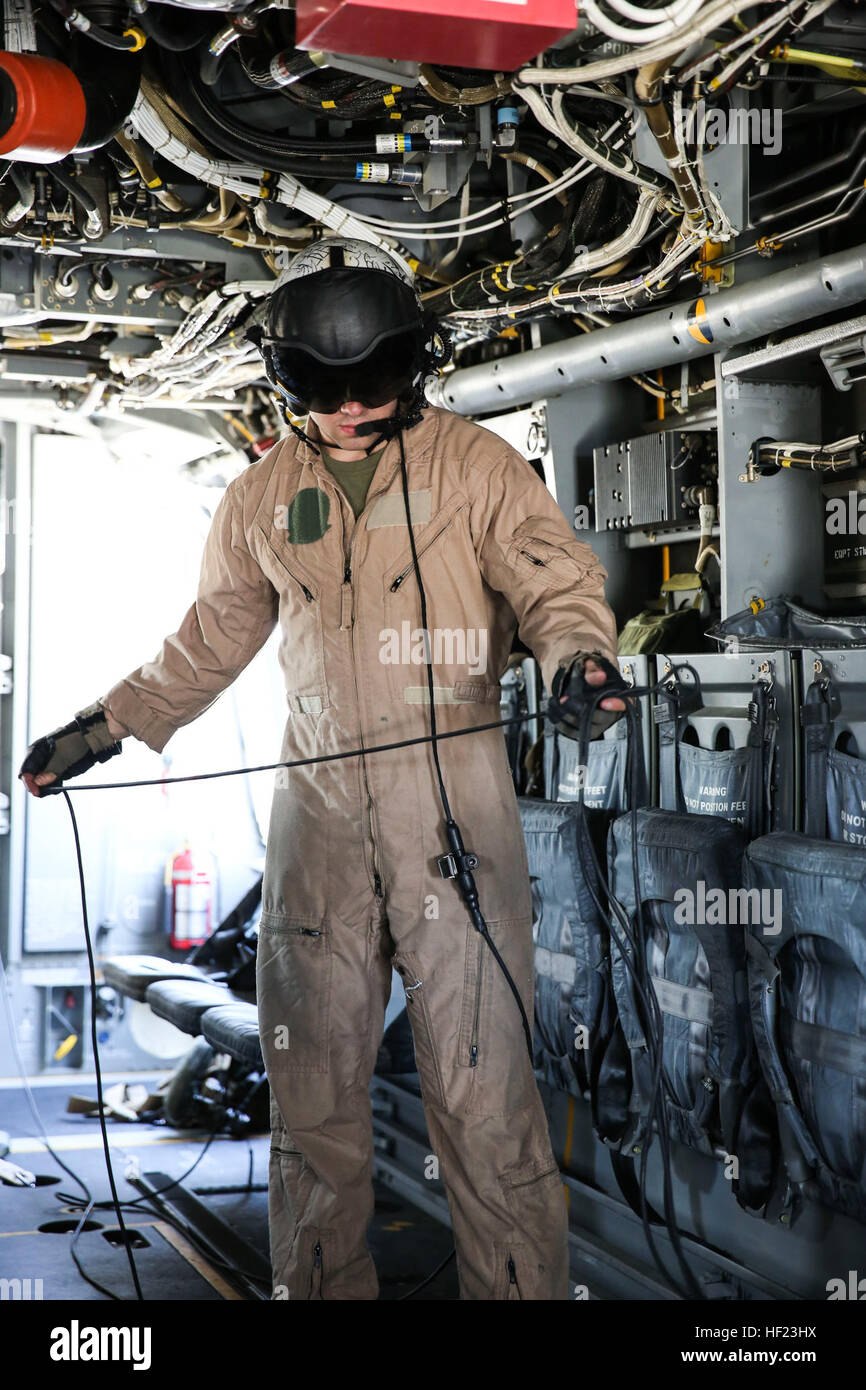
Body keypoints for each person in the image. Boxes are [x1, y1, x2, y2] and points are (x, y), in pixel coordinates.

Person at [20, 237, 626, 1300]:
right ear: (286, 383)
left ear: (412, 367)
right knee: (313, 1106)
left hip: (455, 820)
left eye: (374, 384)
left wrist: (579, 662)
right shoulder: (258, 500)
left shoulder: (473, 467)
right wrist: (102, 723)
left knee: (485, 1110)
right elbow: (207, 639)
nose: (351, 408)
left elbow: (552, 582)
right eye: (323, 388)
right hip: (317, 826)